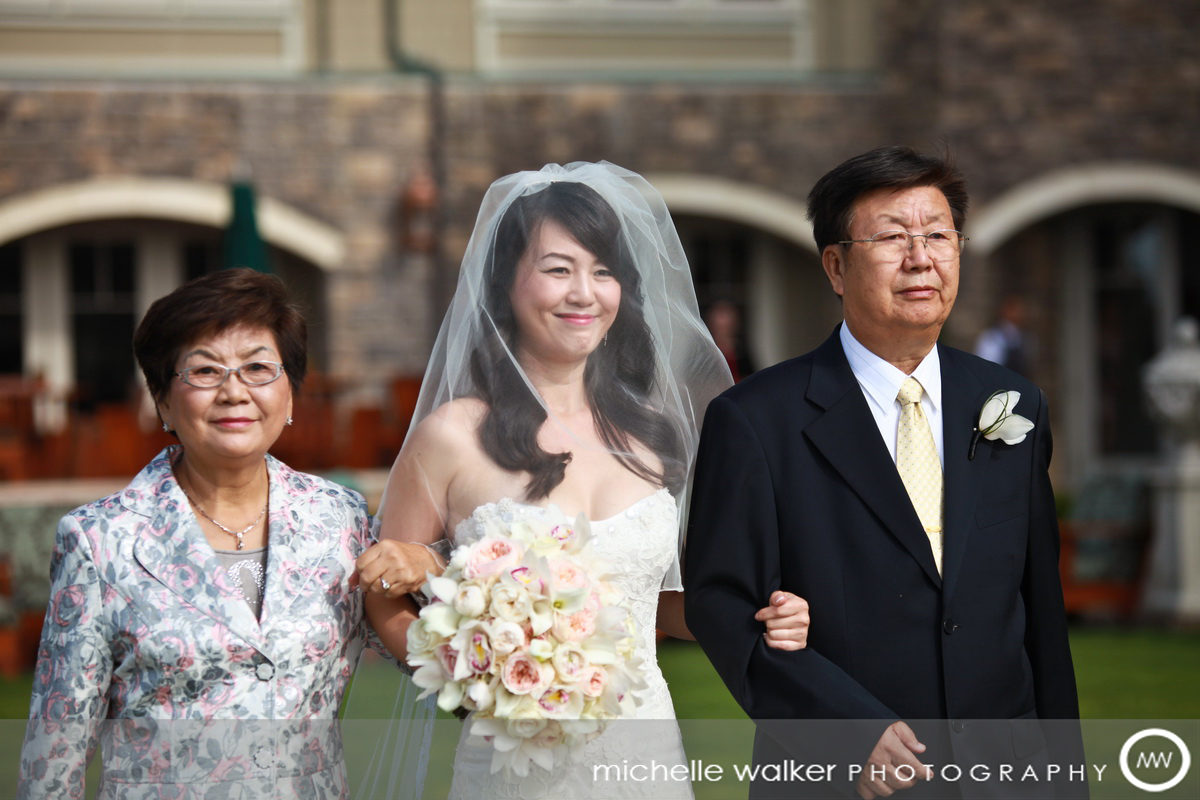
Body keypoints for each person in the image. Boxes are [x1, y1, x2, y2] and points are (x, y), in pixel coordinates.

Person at [355, 161, 810, 799]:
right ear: (506, 284)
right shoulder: (450, 437)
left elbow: (664, 607)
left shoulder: (656, 437)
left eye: (603, 271)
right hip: (510, 762)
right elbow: (384, 593)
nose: (584, 293)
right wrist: (469, 676)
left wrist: (759, 613)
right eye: (558, 268)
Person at [685, 147, 1084, 799]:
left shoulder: (1013, 404)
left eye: (937, 235)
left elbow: (1039, 610)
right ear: (836, 266)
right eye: (894, 237)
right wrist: (841, 730)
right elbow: (721, 602)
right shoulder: (756, 419)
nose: (921, 256)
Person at [17, 269, 422, 799]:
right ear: (163, 401)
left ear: (291, 395)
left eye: (258, 368)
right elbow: (56, 750)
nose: (234, 391)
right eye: (205, 371)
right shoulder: (99, 540)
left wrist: (432, 569)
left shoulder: (339, 518)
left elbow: (422, 654)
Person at [975, 293, 1032, 377]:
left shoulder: (1026, 338)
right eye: (1012, 309)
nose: (1017, 313)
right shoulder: (991, 337)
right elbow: (984, 366)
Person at [704, 299, 757, 382]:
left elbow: (751, 379)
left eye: (725, 328)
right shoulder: (706, 351)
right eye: (720, 328)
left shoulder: (741, 352)